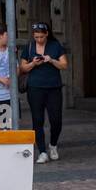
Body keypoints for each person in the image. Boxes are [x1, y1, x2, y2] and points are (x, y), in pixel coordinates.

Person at [19, 21, 67, 164]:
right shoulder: (29, 47)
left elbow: (64, 65)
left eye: (41, 36)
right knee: (37, 120)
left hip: (54, 87)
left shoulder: (55, 46)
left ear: (47, 34)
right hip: (35, 88)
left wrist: (51, 60)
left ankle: (53, 145)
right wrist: (33, 63)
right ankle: (42, 152)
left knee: (56, 120)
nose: (39, 39)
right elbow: (22, 68)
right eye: (36, 37)